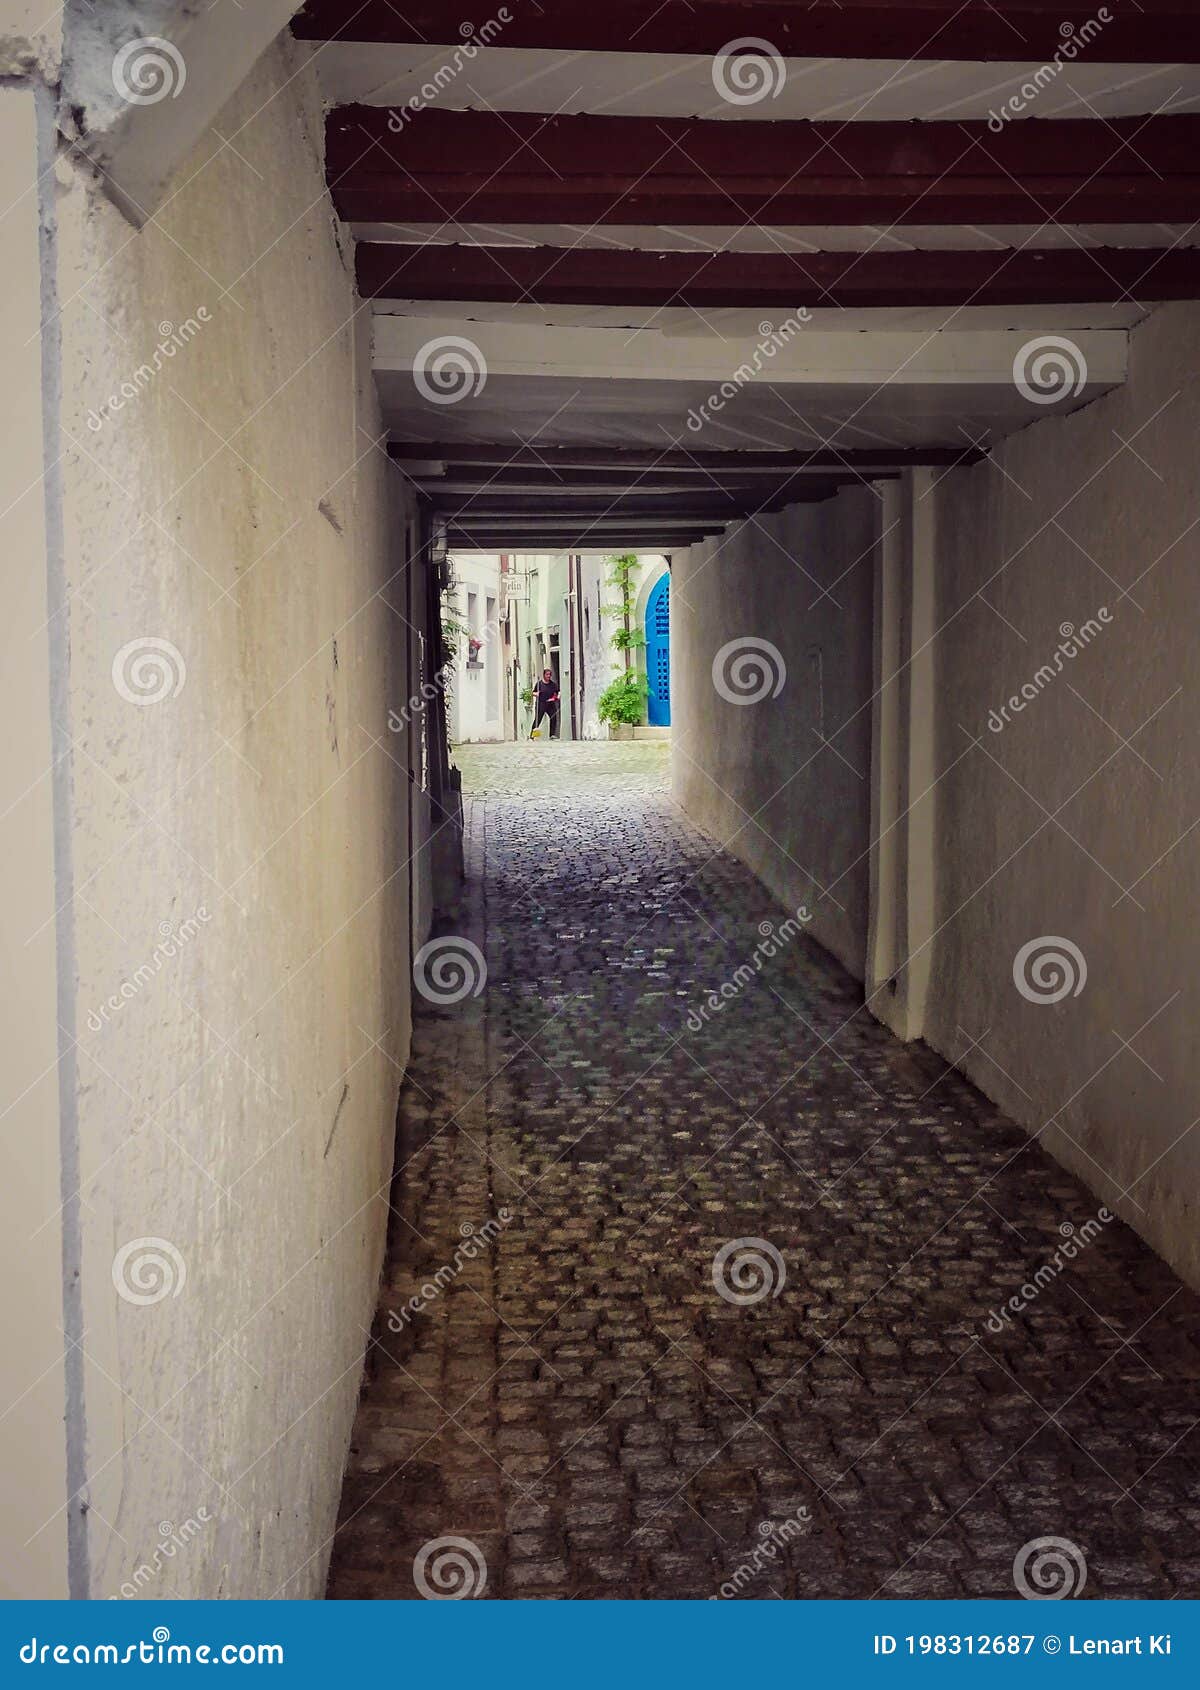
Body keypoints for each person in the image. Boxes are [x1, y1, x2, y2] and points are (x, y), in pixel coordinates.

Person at [531, 668, 560, 739]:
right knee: (538, 720)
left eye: (549, 675)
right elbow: (533, 692)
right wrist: (536, 694)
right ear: (544, 675)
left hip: (550, 704)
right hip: (541, 703)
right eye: (547, 674)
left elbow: (558, 692)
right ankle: (532, 736)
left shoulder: (553, 684)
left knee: (553, 717)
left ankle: (552, 735)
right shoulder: (539, 684)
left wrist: (557, 697)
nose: (548, 676)